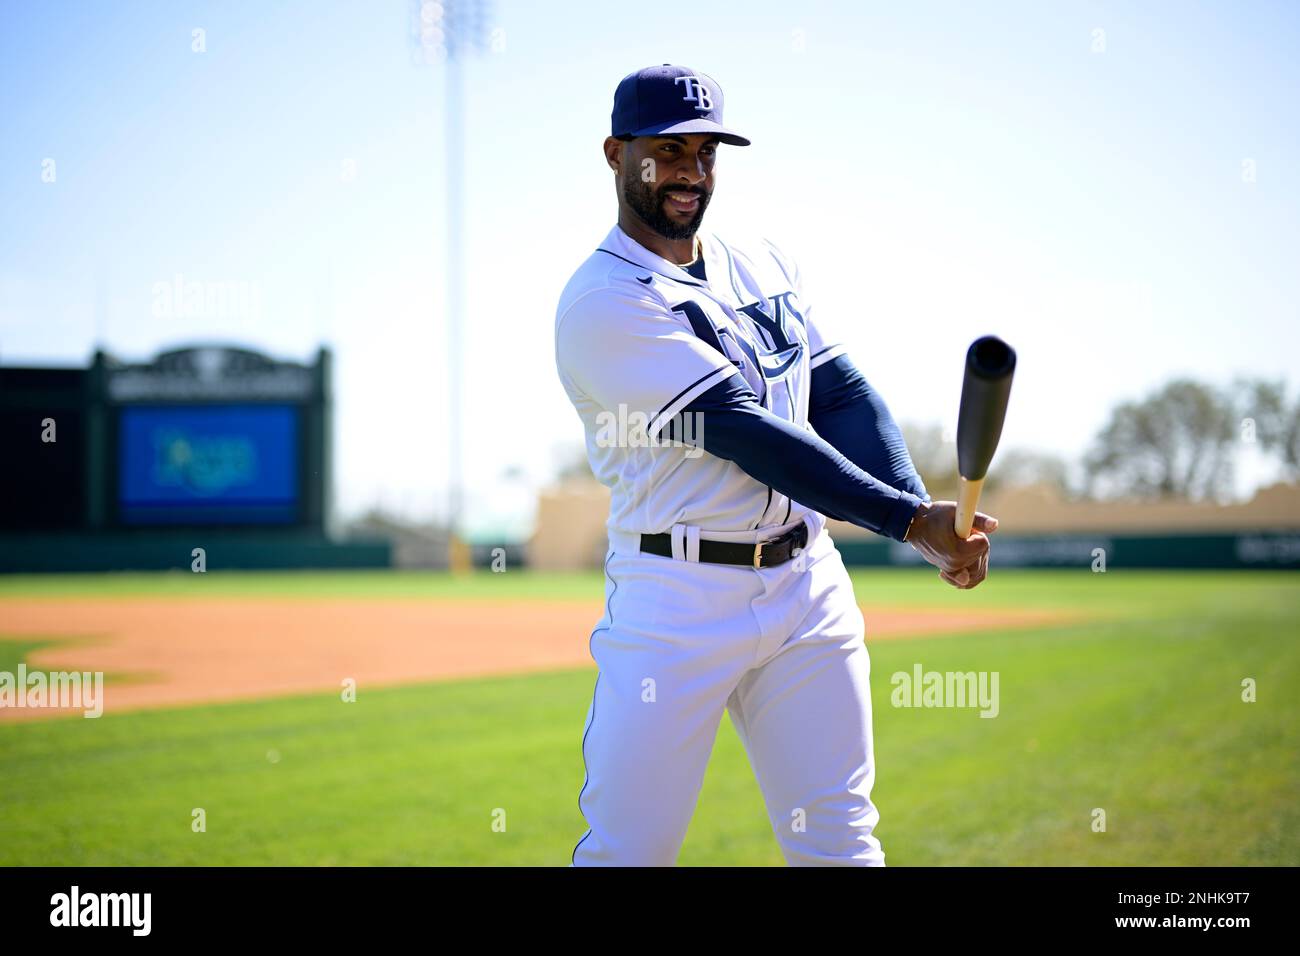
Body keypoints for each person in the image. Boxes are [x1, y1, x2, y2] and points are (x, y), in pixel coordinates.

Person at [554, 64, 998, 866]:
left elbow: (839, 393)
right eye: (668, 150)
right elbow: (738, 428)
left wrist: (920, 508)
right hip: (676, 602)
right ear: (617, 154)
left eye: (707, 151)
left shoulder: (758, 259)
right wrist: (906, 523)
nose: (691, 170)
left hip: (806, 586)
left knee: (841, 840)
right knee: (631, 852)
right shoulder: (602, 303)